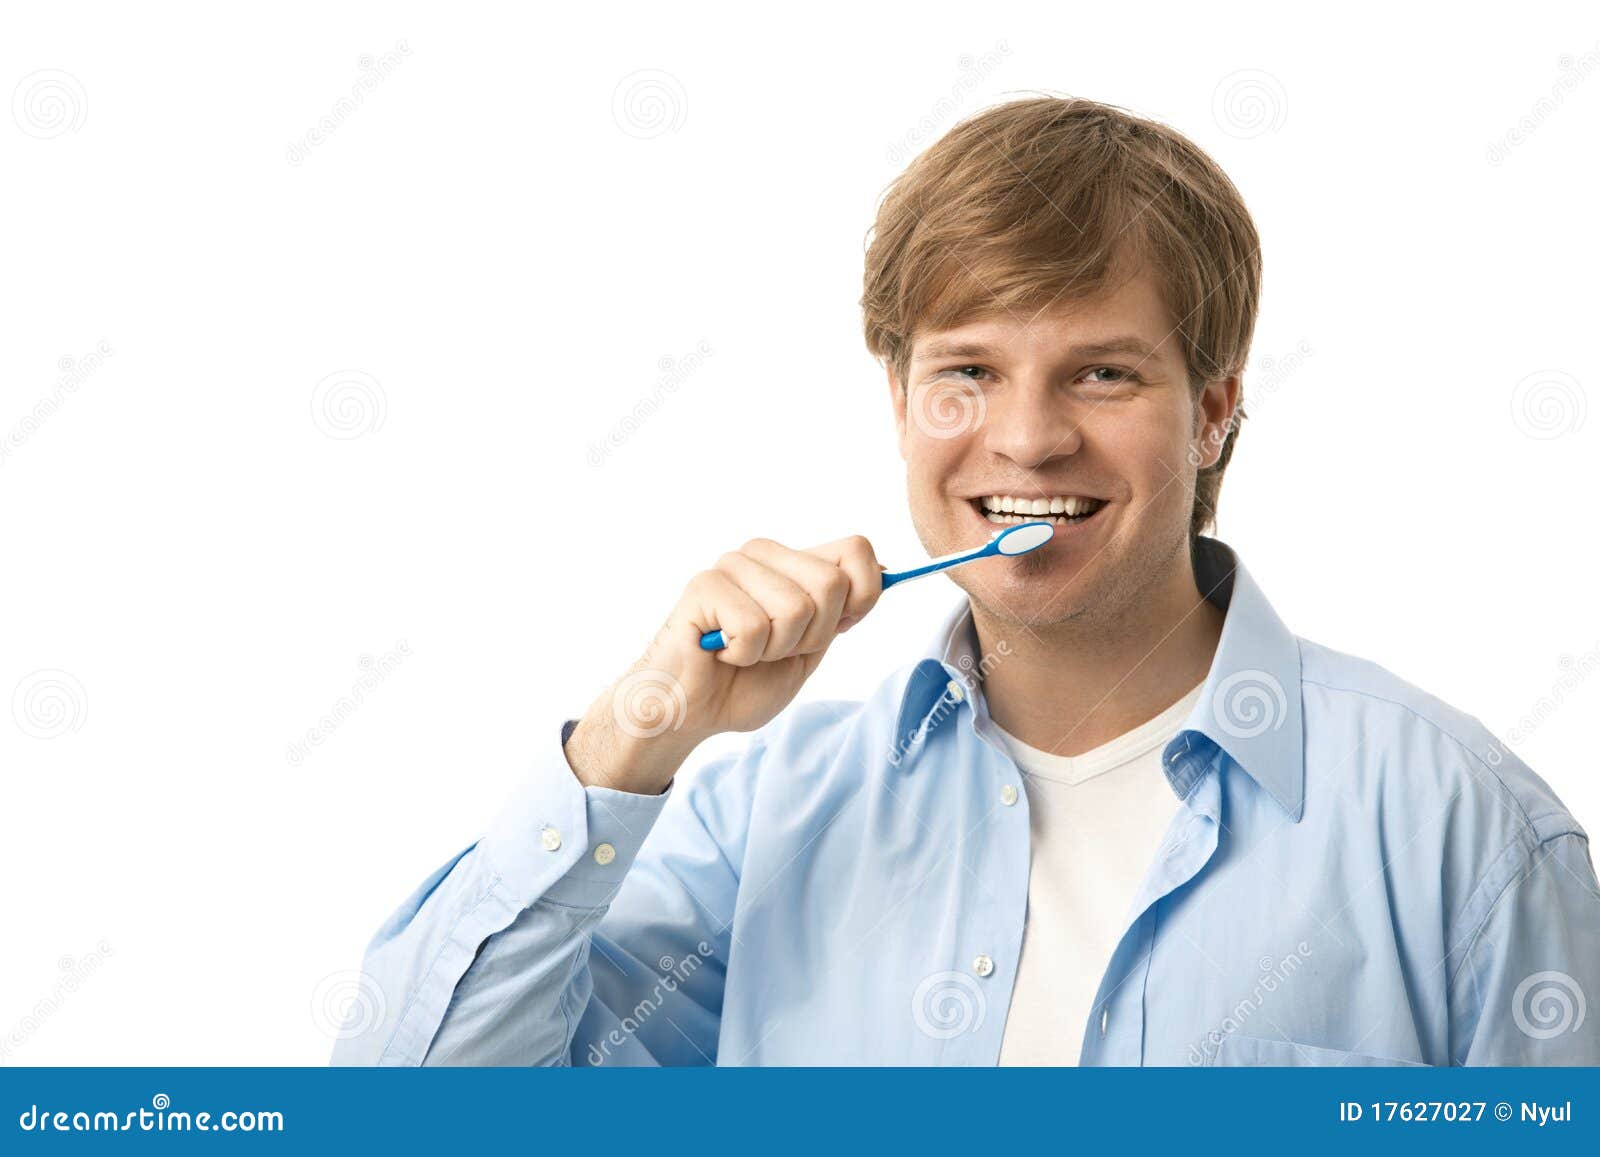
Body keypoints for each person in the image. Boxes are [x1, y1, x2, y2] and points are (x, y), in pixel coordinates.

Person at [332, 96, 1600, 1066]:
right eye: (969, 374)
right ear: (899, 404)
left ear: (1213, 412)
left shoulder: (1463, 828)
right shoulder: (762, 819)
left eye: (1102, 372)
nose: (1029, 438)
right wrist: (629, 737)